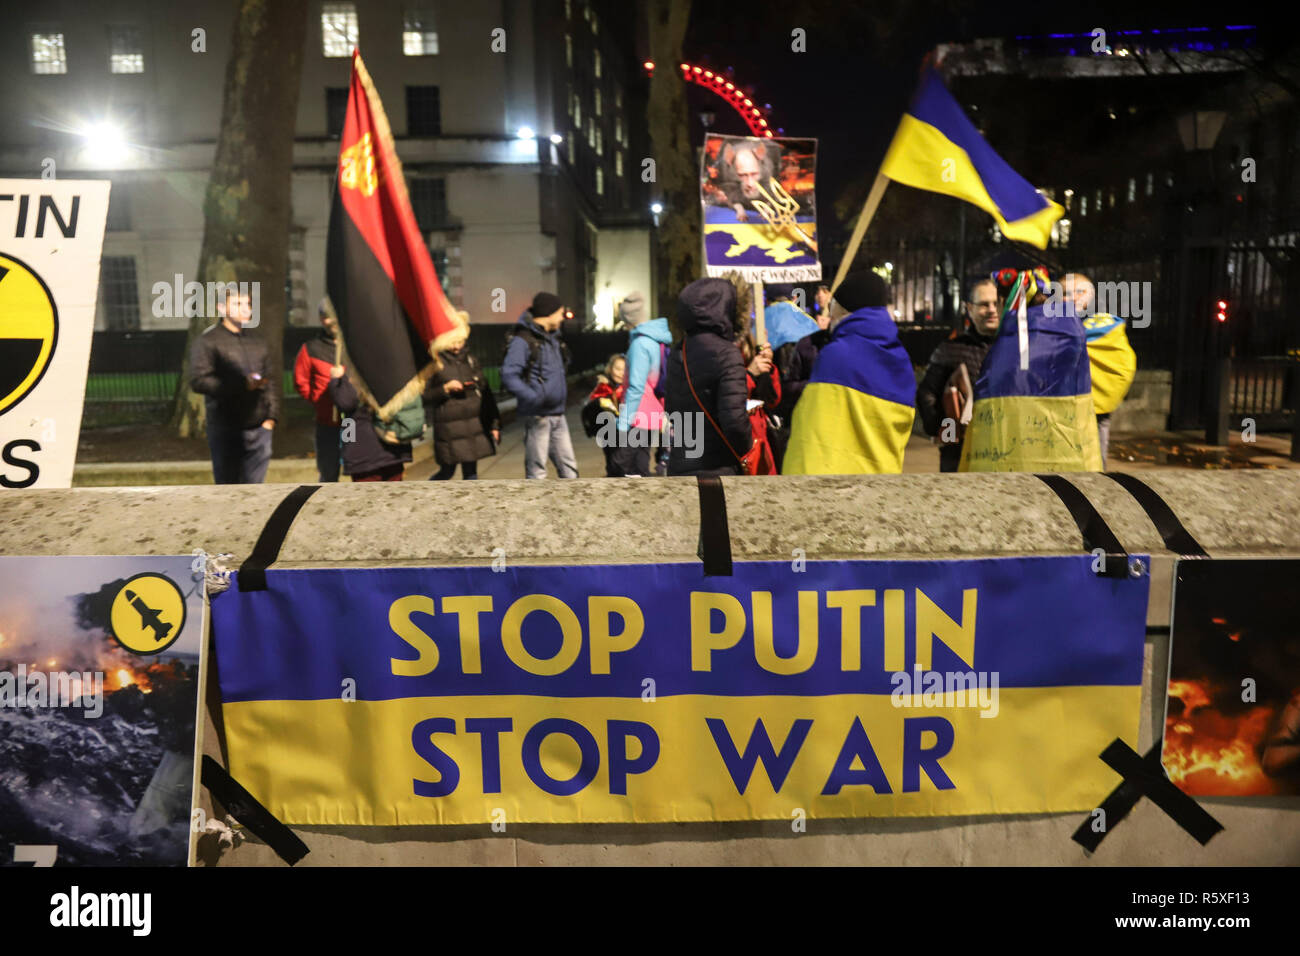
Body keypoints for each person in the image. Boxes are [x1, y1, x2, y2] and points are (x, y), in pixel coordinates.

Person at [959, 266, 1102, 472]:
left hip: (1010, 463)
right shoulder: (1074, 334)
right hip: (1071, 462)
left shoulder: (1004, 348)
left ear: (1005, 301)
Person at [783, 271, 916, 475]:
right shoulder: (901, 359)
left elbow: (812, 433)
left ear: (842, 310)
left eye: (832, 308)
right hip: (883, 480)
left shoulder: (836, 355)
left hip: (833, 484)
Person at [664, 277, 753, 477]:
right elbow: (735, 422)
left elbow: (671, 410)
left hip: (680, 464)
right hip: (717, 469)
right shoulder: (728, 354)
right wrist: (746, 448)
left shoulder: (679, 351)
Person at [189, 288, 278, 484]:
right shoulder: (208, 341)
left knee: (255, 490)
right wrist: (239, 385)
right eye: (238, 304)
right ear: (222, 308)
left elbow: (270, 380)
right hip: (226, 428)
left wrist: (271, 418)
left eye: (247, 304)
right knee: (229, 489)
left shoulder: (258, 341)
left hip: (259, 427)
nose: (245, 309)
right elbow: (198, 380)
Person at [916, 278, 1000, 472]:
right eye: (984, 304)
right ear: (969, 308)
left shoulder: (1017, 348)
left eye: (996, 304)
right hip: (959, 455)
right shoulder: (950, 349)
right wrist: (947, 431)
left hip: (1002, 449)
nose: (992, 310)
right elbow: (927, 394)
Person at [1062, 272, 1137, 467]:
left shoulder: (1106, 323)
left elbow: (1120, 358)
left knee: (1096, 446)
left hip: (1097, 402)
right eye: (1067, 293)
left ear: (1093, 294)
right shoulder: (1058, 323)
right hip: (1066, 402)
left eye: (1081, 291)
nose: (1075, 296)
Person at [502, 292, 579, 479]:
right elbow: (508, 374)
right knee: (537, 472)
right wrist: (533, 398)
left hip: (557, 414)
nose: (562, 317)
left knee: (570, 471)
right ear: (549, 313)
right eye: (560, 313)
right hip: (538, 416)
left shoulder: (552, 338)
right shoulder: (523, 340)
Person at [425, 323, 499, 480]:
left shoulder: (471, 359)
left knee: (471, 473)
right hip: (449, 428)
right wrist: (445, 389)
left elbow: (486, 392)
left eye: (460, 342)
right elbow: (424, 396)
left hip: (473, 425)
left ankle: (472, 503)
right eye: (453, 342)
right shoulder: (434, 362)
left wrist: (494, 425)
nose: (457, 347)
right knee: (447, 471)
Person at [613, 291, 672, 477]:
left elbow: (636, 387)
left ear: (627, 318)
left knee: (620, 466)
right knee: (640, 469)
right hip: (651, 413)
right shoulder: (655, 340)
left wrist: (623, 423)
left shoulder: (640, 345)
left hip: (638, 415)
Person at [327, 363, 411, 481]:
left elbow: (346, 402)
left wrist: (336, 380)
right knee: (394, 494)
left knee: (368, 496)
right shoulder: (391, 370)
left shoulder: (356, 372)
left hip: (363, 453)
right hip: (392, 448)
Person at [293, 297, 343, 482]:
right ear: (322, 319)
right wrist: (318, 400)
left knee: (355, 465)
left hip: (351, 423)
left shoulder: (353, 346)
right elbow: (301, 381)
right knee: (328, 470)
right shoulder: (311, 349)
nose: (332, 321)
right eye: (327, 317)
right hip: (326, 423)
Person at [739, 334, 781, 475]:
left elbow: (772, 400)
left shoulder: (755, 344)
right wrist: (750, 374)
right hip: (743, 439)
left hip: (761, 437)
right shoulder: (729, 348)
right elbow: (731, 393)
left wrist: (767, 368)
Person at [584, 354, 626, 477]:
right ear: (610, 369)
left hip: (627, 431)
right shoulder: (603, 387)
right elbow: (593, 405)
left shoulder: (630, 387)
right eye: (617, 369)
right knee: (613, 461)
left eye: (624, 369)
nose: (620, 373)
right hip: (609, 432)